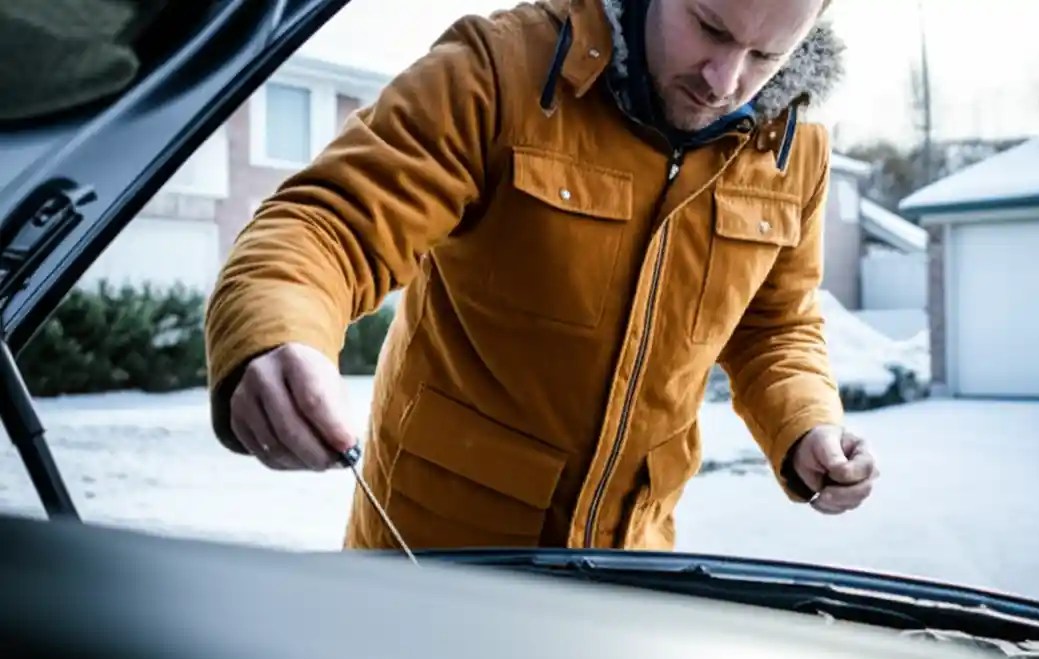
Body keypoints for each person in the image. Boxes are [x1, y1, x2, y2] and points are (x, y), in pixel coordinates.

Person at [203, 0, 879, 552]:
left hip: (628, 574)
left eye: (768, 56)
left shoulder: (797, 153)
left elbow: (776, 324)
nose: (725, 80)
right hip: (434, 559)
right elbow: (329, 223)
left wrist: (806, 424)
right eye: (708, 27)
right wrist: (274, 329)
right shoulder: (500, 70)